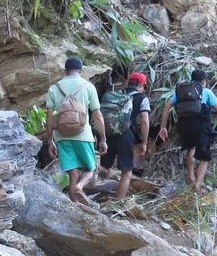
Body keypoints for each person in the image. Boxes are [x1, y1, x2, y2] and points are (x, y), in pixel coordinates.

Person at [46, 57, 107, 205]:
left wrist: (50, 141)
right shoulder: (88, 87)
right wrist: (103, 138)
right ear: (81, 71)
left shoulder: (54, 88)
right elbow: (97, 116)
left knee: (73, 174)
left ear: (65, 71)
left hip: (62, 136)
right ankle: (80, 186)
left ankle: (75, 206)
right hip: (83, 135)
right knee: (91, 168)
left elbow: (49, 116)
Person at [156, 69, 217, 193]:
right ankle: (198, 186)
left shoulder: (182, 92)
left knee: (190, 147)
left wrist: (163, 127)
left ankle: (191, 177)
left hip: (184, 125)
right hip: (201, 125)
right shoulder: (206, 92)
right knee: (204, 157)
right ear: (204, 81)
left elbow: (167, 106)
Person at [98, 72, 152, 199]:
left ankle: (90, 170)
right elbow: (144, 120)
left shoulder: (116, 95)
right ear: (141, 85)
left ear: (129, 82)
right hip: (125, 136)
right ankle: (119, 202)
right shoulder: (141, 98)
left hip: (108, 133)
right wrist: (144, 143)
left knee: (105, 169)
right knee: (127, 172)